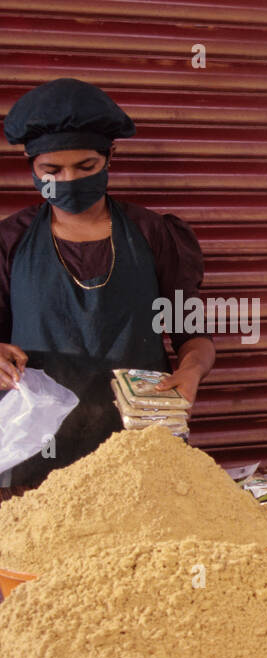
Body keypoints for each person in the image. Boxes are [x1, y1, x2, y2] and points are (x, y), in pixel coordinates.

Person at [0, 78, 214, 487]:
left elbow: (193, 335)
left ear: (110, 157)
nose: (68, 180)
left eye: (85, 167)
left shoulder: (155, 235)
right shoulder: (9, 241)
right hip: (37, 450)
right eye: (51, 170)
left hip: (141, 442)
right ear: (32, 167)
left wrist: (191, 371)